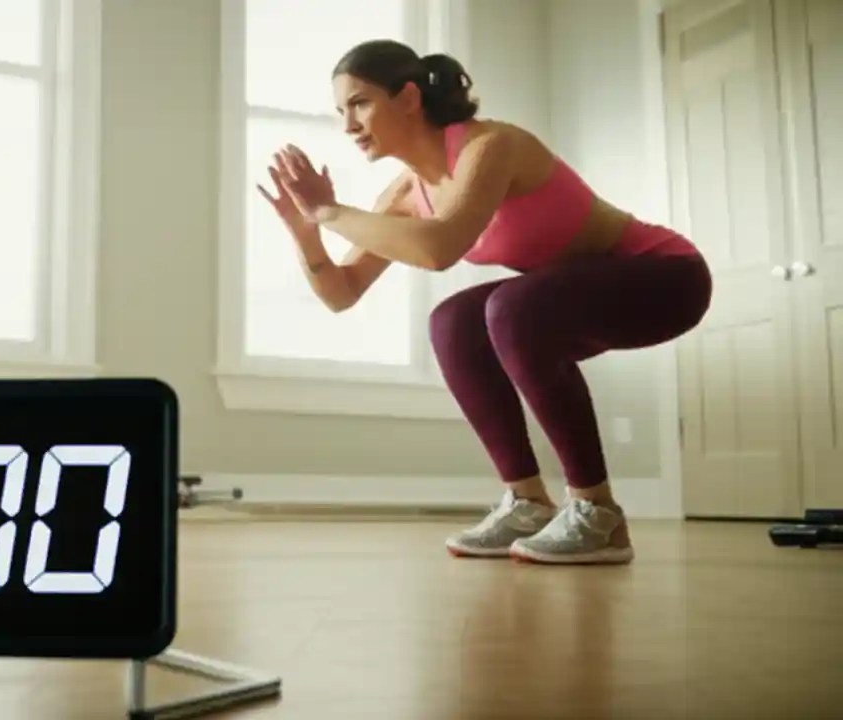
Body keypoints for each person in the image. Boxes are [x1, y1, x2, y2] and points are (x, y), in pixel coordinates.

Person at [256, 39, 712, 565]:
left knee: (512, 309)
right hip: (572, 291)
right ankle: (527, 503)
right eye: (341, 111)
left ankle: (597, 514)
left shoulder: (491, 145)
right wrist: (307, 235)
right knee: (453, 323)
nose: (348, 125)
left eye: (359, 103)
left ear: (409, 98)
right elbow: (342, 293)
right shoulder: (405, 195)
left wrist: (330, 212)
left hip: (665, 277)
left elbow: (440, 248)